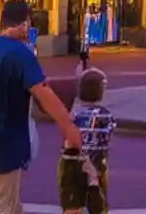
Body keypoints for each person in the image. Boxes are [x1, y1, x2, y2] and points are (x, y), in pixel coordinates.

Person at [0, 0, 81, 214]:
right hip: (2, 145)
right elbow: (43, 92)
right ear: (25, 24)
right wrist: (68, 127)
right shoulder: (21, 54)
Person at [58, 62, 115, 214]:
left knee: (72, 202)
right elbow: (108, 138)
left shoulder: (75, 115)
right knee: (98, 202)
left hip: (73, 162)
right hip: (97, 162)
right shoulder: (106, 115)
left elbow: (68, 139)